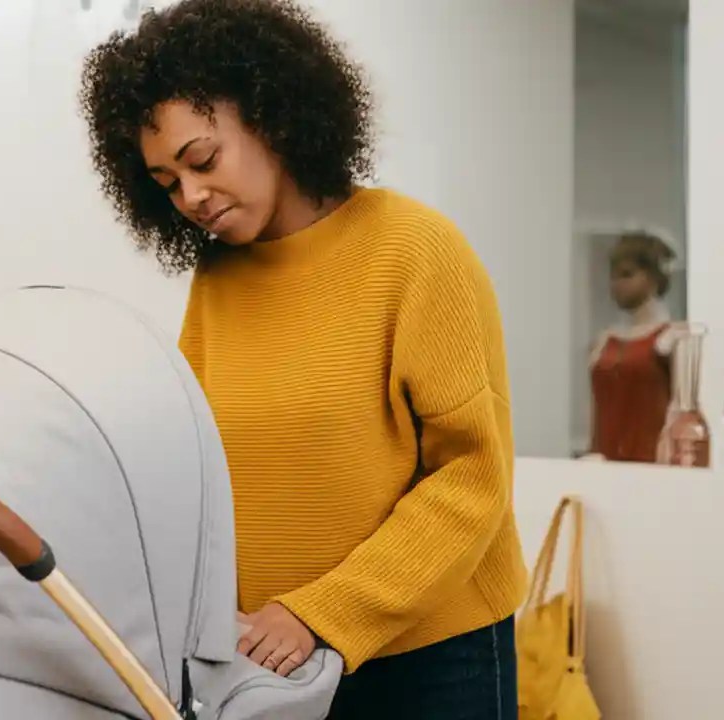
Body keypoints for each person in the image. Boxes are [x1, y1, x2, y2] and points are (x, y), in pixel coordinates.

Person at [78, 1, 527, 716]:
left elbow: (471, 481)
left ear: (273, 114)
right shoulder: (219, 279)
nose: (190, 196)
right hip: (274, 659)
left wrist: (324, 612)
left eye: (202, 160)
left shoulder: (416, 252)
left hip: (433, 658)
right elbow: (205, 460)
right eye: (167, 183)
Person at [586, 231, 680, 463]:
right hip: (602, 465)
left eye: (627, 275)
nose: (617, 284)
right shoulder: (604, 342)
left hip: (650, 468)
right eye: (614, 276)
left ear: (652, 277)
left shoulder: (672, 337)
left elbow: (678, 413)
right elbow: (595, 411)